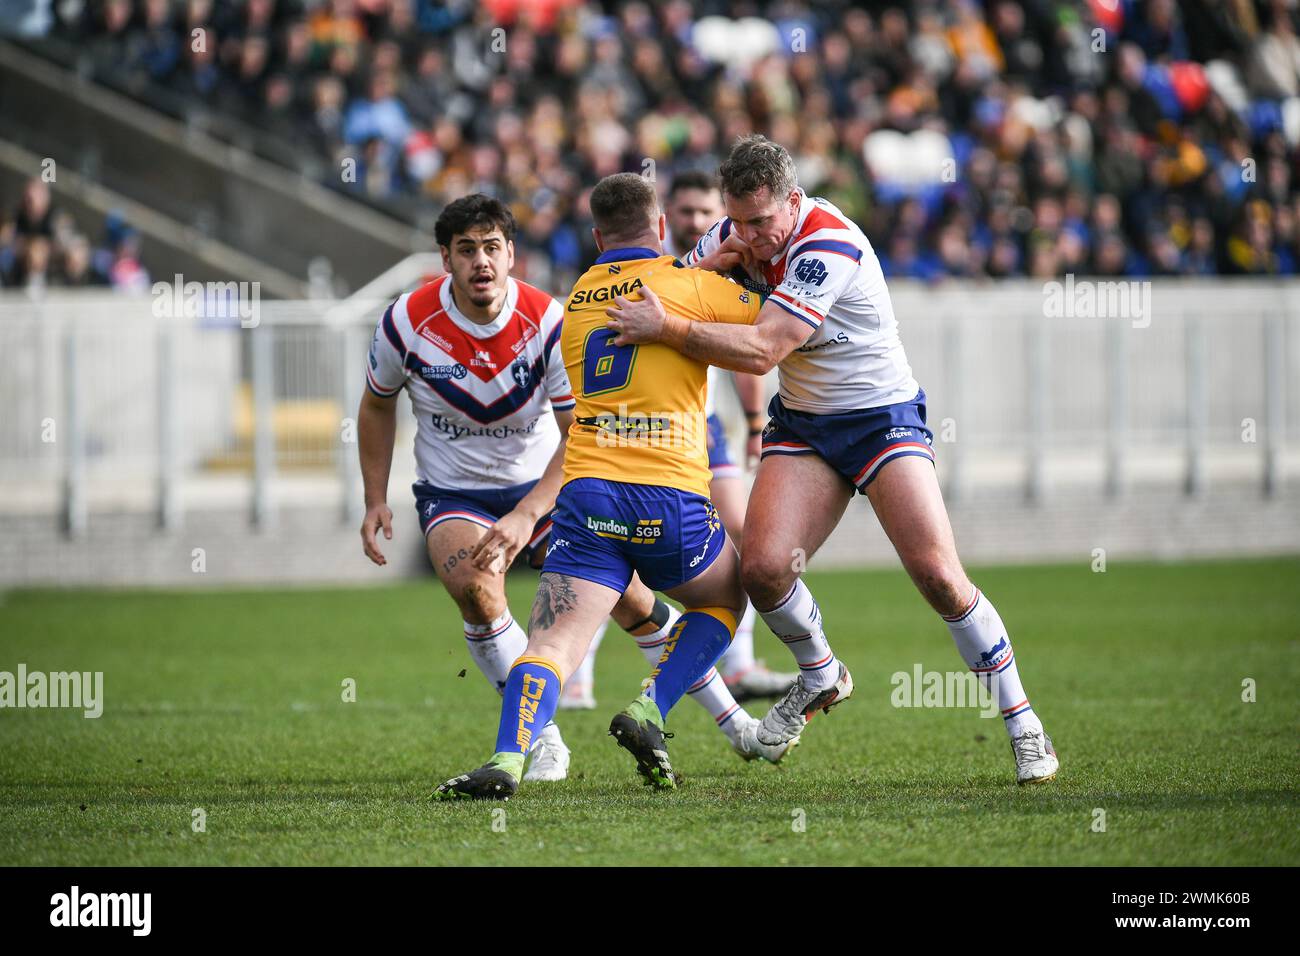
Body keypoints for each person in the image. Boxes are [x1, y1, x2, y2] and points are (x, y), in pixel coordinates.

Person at [606, 136, 1059, 785]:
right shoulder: (732, 233)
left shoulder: (829, 241)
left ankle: (1023, 723)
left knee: (937, 574)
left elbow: (764, 348)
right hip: (807, 427)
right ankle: (820, 672)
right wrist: (697, 272)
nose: (754, 238)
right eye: (740, 221)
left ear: (794, 202)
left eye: (764, 222)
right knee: (762, 571)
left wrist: (671, 328)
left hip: (882, 419)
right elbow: (672, 289)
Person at [433, 173, 798, 800]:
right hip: (669, 494)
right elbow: (775, 331)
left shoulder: (574, 301)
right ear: (660, 227)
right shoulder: (691, 288)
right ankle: (650, 709)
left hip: (587, 495)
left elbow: (650, 278)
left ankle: (507, 758)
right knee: (726, 596)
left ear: (597, 236)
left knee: (550, 642)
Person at [358, 193, 684, 784]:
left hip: (547, 487)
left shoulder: (550, 321)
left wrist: (530, 511)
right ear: (445, 259)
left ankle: (732, 719)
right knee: (479, 593)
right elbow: (377, 406)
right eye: (466, 250)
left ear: (511, 254)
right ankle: (542, 739)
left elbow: (578, 431)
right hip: (453, 493)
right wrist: (374, 497)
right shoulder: (405, 322)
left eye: (491, 248)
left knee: (633, 600)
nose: (480, 261)